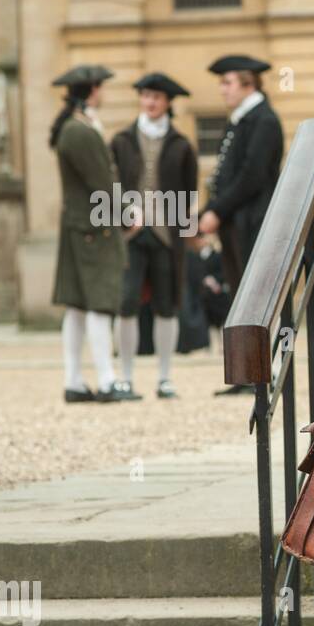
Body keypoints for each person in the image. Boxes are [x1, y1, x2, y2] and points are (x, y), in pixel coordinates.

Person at [109, 72, 199, 400]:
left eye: (157, 97)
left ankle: (164, 377)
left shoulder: (181, 145)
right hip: (130, 235)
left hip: (168, 234)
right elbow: (110, 184)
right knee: (126, 302)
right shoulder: (121, 141)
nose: (150, 102)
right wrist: (120, 217)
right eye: (146, 96)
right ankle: (126, 377)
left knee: (167, 305)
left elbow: (191, 193)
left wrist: (190, 234)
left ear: (167, 103)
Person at [200, 54, 283, 394]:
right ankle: (245, 374)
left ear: (248, 83)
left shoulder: (263, 120)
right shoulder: (240, 120)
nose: (222, 90)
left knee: (258, 297)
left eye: (227, 82)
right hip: (236, 222)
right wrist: (213, 209)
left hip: (254, 220)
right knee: (240, 296)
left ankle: (266, 373)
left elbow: (252, 176)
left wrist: (216, 209)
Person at [49, 64, 129, 403]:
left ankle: (75, 382)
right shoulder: (79, 131)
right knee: (97, 304)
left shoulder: (75, 126)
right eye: (102, 87)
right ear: (93, 90)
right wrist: (125, 214)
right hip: (94, 228)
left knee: (79, 307)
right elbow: (102, 182)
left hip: (83, 226)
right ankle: (107, 380)